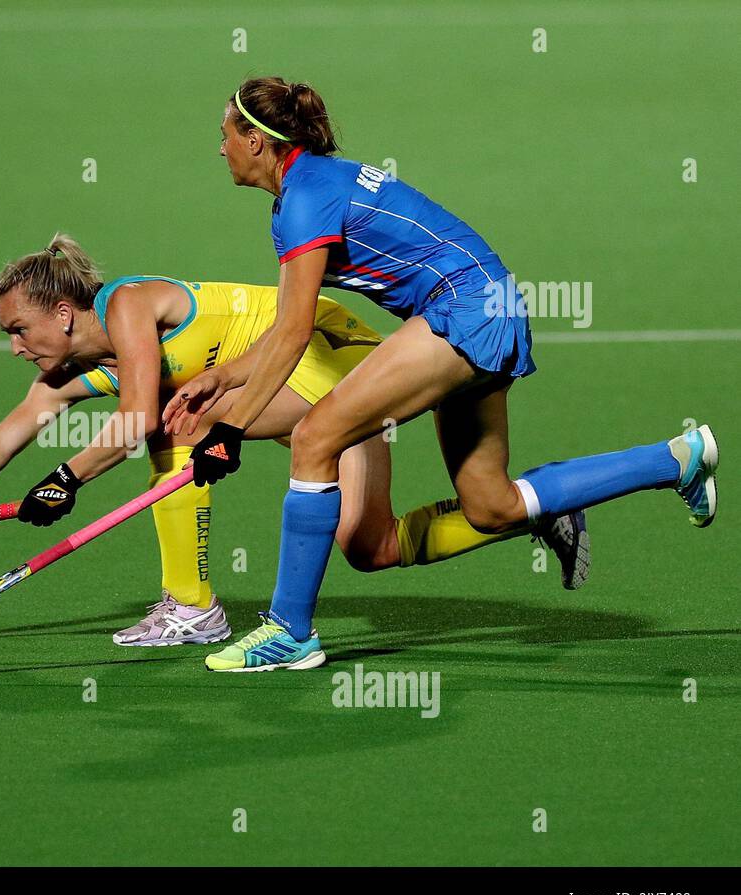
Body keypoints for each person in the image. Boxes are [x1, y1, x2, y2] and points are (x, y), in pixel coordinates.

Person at [163, 76, 716, 673]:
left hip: (464, 309)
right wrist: (225, 382)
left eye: (225, 136)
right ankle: (677, 459)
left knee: (315, 437)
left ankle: (290, 631)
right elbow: (289, 326)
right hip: (485, 305)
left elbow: (296, 334)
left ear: (257, 141)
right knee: (493, 508)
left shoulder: (305, 198)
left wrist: (230, 429)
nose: (220, 149)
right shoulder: (304, 191)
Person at [0, 234, 588, 647]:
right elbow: (0, 441)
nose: (13, 348)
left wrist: (67, 475)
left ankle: (192, 606)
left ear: (64, 314)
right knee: (371, 549)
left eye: (17, 330)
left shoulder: (125, 306)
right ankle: (531, 508)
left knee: (169, 423)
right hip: (279, 389)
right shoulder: (66, 370)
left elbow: (135, 419)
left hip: (331, 354)